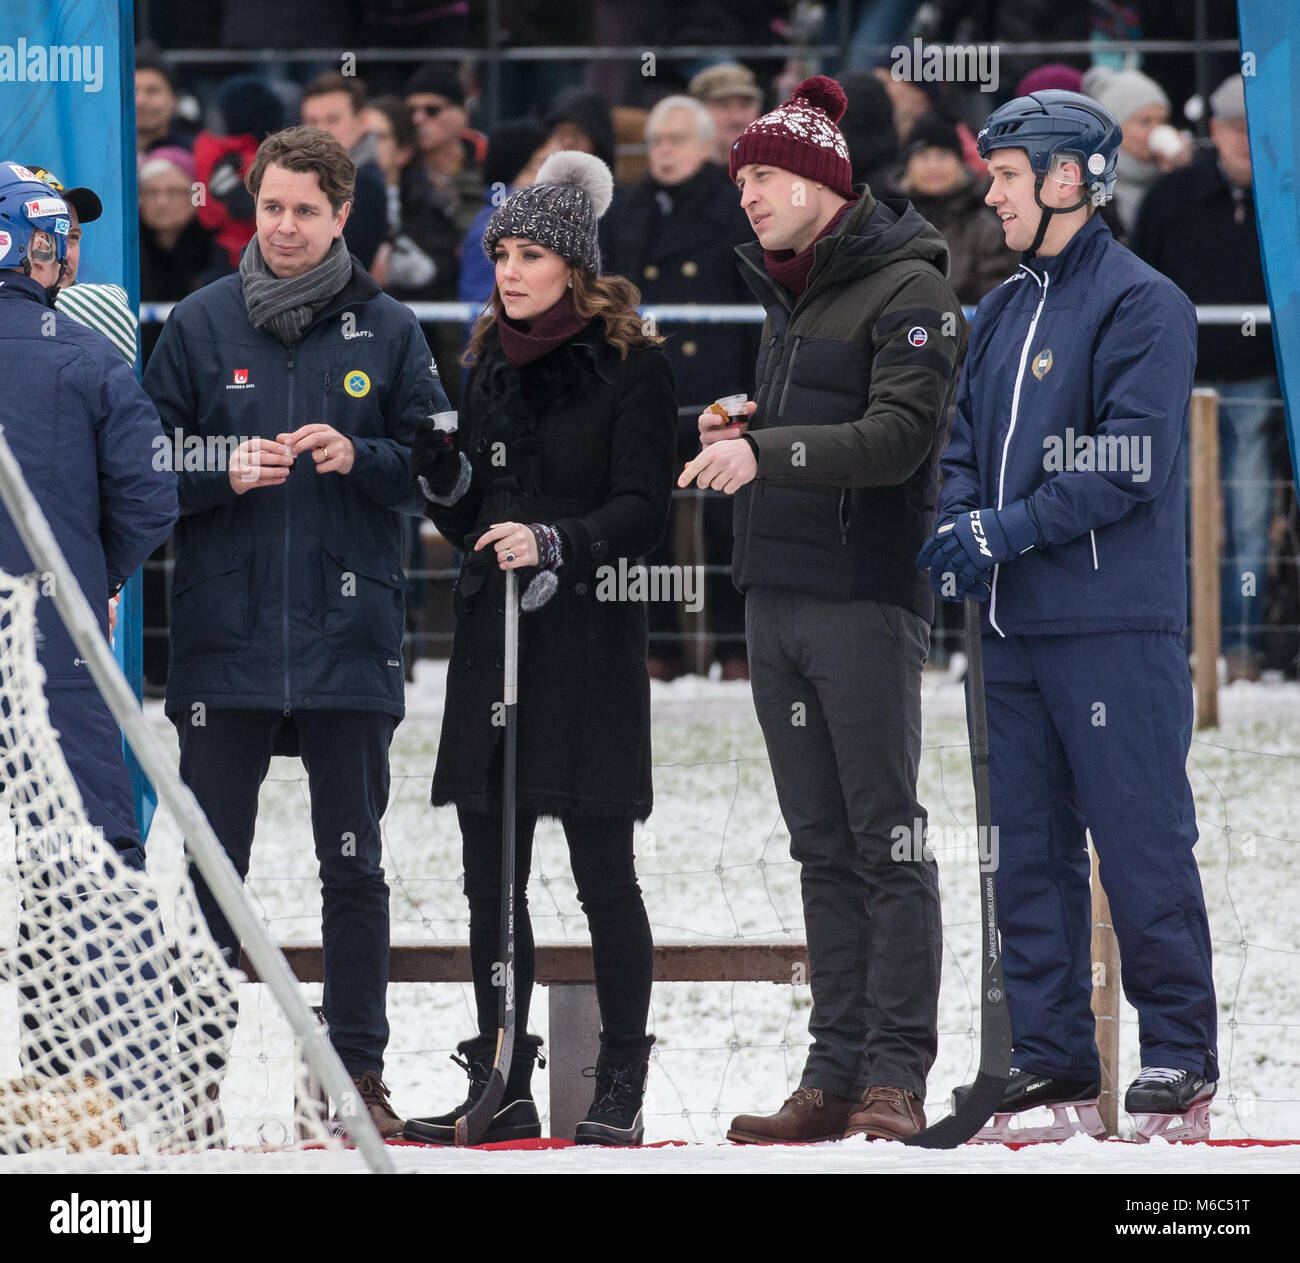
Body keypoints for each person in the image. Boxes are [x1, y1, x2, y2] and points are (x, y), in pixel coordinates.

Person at [917, 89, 1219, 1141]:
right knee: (1026, 851)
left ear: (1065, 178)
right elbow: (957, 445)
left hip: (1111, 628)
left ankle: (1179, 1056)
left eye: (1005, 175)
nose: (988, 193)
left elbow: (1125, 461)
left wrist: (1004, 529)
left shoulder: (1146, 305)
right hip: (1008, 633)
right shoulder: (996, 310)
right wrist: (958, 523)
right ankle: (1048, 1062)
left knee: (1140, 842)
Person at [142, 125, 446, 1139]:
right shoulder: (197, 321)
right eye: (270, 206)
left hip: (347, 639)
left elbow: (440, 475)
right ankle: (189, 1073)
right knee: (209, 872)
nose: (283, 226)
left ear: (342, 217)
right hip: (220, 645)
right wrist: (216, 472)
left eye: (304, 211)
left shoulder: (391, 328)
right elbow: (143, 469)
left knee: (352, 868)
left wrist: (360, 456)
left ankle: (352, 1076)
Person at [680, 77, 965, 1143]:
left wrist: (765, 449)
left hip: (861, 599)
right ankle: (831, 1070)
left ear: (816, 181)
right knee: (818, 844)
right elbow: (813, 427)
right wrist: (741, 419)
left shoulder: (912, 290)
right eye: (740, 179)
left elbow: (895, 442)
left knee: (885, 839)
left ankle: (895, 1074)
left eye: (759, 175)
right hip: (777, 597)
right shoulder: (791, 291)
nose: (744, 194)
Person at [408, 150, 676, 1147]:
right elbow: (475, 516)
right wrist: (443, 484)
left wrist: (561, 539)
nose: (510, 272)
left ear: (574, 265)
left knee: (602, 868)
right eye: (500, 254)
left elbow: (646, 509)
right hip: (493, 639)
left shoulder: (633, 363)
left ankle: (619, 1077)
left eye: (529, 255)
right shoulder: (483, 362)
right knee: (491, 874)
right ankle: (500, 1069)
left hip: (589, 640)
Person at [0, 163, 177, 1082]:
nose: (68, 249)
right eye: (57, 233)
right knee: (86, 850)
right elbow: (151, 501)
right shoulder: (92, 357)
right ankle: (91, 1078)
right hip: (52, 644)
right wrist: (87, 578)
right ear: (32, 244)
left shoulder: (90, 350)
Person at [604, 94, 756, 679]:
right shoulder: (628, 213)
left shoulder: (732, 211)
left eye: (675, 140)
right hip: (651, 388)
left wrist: (749, 393)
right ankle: (662, 646)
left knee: (726, 522)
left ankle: (736, 647)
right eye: (656, 141)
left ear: (704, 146)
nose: (663, 151)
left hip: (719, 389)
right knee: (651, 519)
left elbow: (753, 309)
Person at [1135, 74, 1279, 682]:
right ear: (1213, 132)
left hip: (1255, 380)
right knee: (1185, 517)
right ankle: (1191, 645)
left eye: (1256, 129)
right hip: (1183, 382)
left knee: (1248, 514)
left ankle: (1240, 648)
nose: (1245, 140)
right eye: (1233, 127)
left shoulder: (1287, 193)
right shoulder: (1173, 198)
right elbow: (1140, 285)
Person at [1082, 67, 1192, 237]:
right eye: (1145, 122)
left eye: (1163, 121)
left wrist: (1178, 178)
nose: (1157, 130)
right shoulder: (1090, 189)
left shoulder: (1176, 179)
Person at [300, 71, 388, 271]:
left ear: (363, 119)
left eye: (333, 120)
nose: (321, 131)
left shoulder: (364, 185)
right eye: (312, 121)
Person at [688, 62, 764, 166]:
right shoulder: (684, 172)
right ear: (700, 113)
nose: (737, 118)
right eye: (724, 106)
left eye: (745, 106)